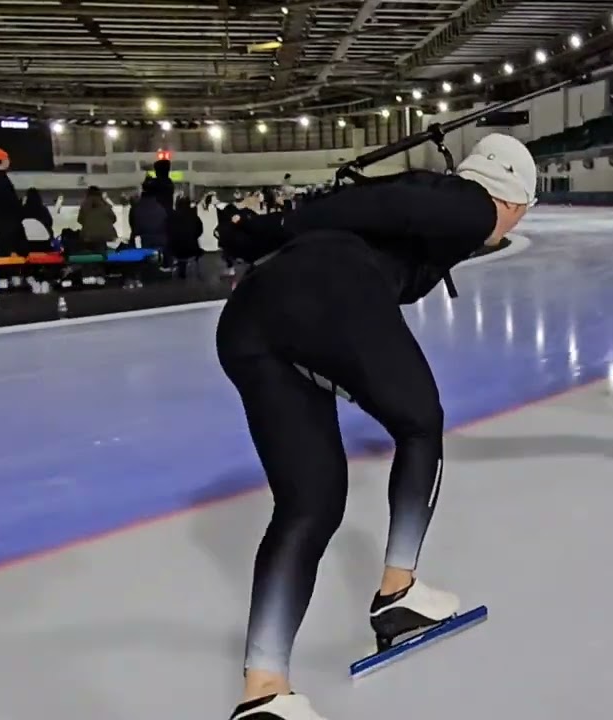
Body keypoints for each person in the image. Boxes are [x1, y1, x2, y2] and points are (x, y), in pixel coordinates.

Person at [216, 133, 537, 720]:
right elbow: (393, 204)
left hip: (251, 322)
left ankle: (262, 692)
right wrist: (299, 213)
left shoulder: (435, 221)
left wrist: (261, 227)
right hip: (326, 296)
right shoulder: (471, 204)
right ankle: (399, 593)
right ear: (513, 200)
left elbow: (377, 212)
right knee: (421, 422)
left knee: (310, 504)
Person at [0, 148, 27, 256]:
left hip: (4, 226)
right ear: (3, 160)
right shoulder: (0, 180)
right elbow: (7, 203)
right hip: (8, 228)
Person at [167, 195, 204, 277]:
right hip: (192, 248)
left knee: (178, 249)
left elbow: (168, 231)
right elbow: (200, 230)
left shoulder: (172, 216)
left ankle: (179, 268)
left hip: (175, 249)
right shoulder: (194, 216)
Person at [74, 186, 117, 254]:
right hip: (107, 234)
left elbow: (80, 220)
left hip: (89, 236)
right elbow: (114, 219)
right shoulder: (105, 204)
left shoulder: (84, 205)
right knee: (102, 245)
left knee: (89, 243)